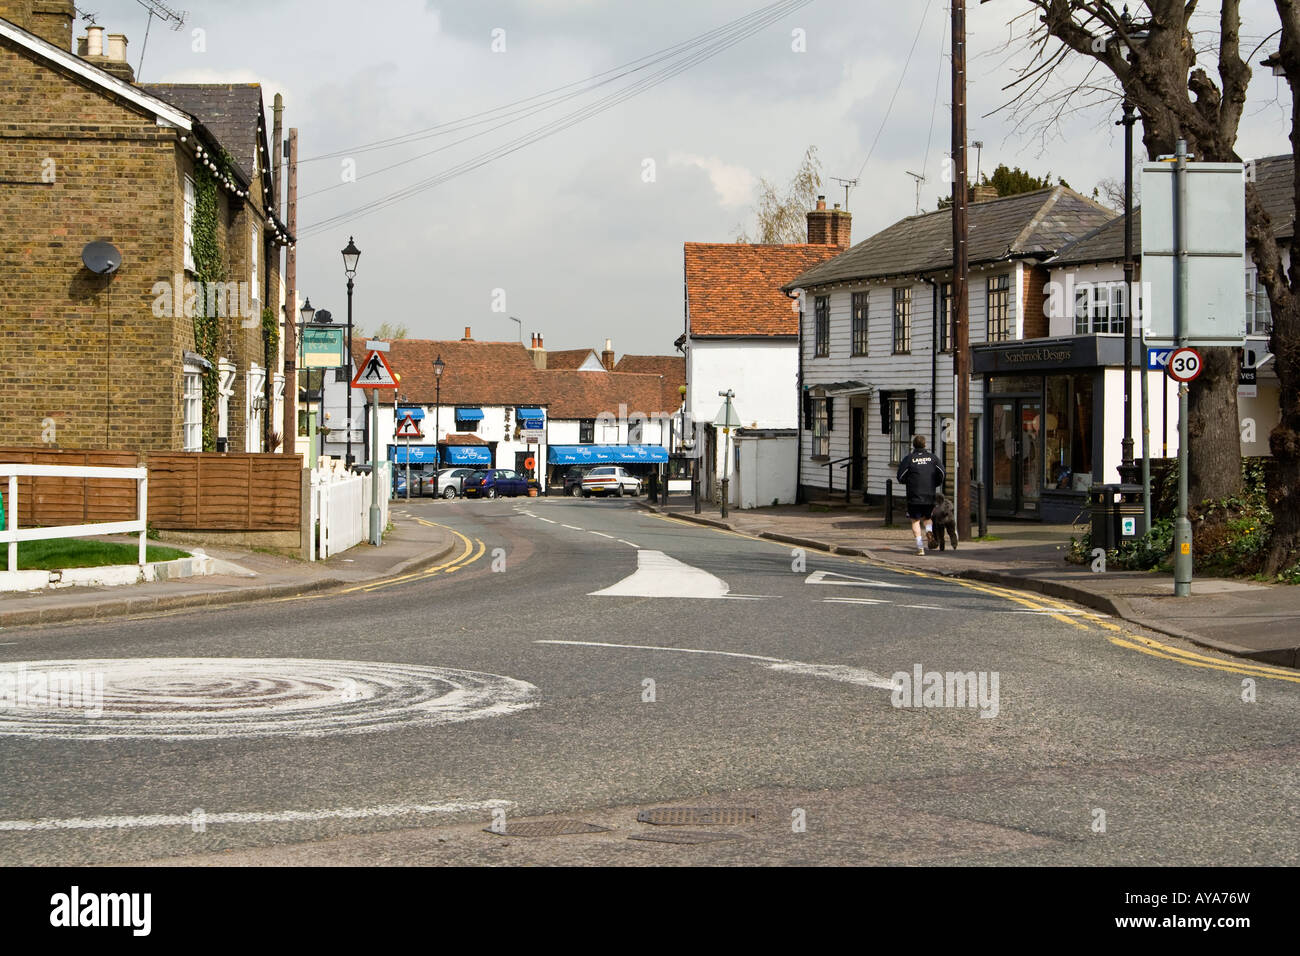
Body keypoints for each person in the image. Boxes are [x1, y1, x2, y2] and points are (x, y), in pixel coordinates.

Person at [896, 434, 945, 555]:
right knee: (928, 518)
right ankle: (929, 532)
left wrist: (909, 481)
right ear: (925, 445)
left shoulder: (909, 459)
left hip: (914, 495)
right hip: (929, 494)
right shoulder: (933, 458)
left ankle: (920, 547)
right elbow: (942, 473)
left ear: (913, 445)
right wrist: (935, 483)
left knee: (915, 520)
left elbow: (900, 476)